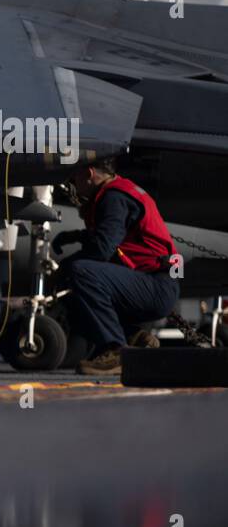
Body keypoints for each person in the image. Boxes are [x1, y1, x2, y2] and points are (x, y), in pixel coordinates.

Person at [54, 158, 179, 376]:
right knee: (73, 295)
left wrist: (63, 267)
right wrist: (73, 236)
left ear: (89, 173)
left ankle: (116, 350)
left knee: (80, 271)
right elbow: (113, 236)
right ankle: (135, 338)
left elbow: (103, 248)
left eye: (75, 176)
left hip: (155, 286)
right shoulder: (119, 191)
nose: (73, 182)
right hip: (152, 283)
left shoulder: (114, 197)